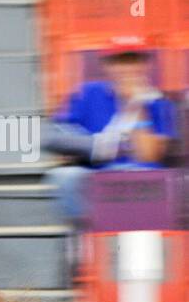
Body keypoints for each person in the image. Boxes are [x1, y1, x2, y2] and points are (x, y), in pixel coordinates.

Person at [43, 37, 178, 240]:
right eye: (120, 61)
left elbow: (149, 155)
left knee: (149, 179)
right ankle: (88, 236)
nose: (127, 68)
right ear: (108, 65)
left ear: (145, 65)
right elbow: (60, 138)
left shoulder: (158, 102)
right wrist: (94, 148)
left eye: (133, 60)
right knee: (65, 177)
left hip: (141, 176)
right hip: (96, 172)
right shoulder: (88, 93)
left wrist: (135, 104)